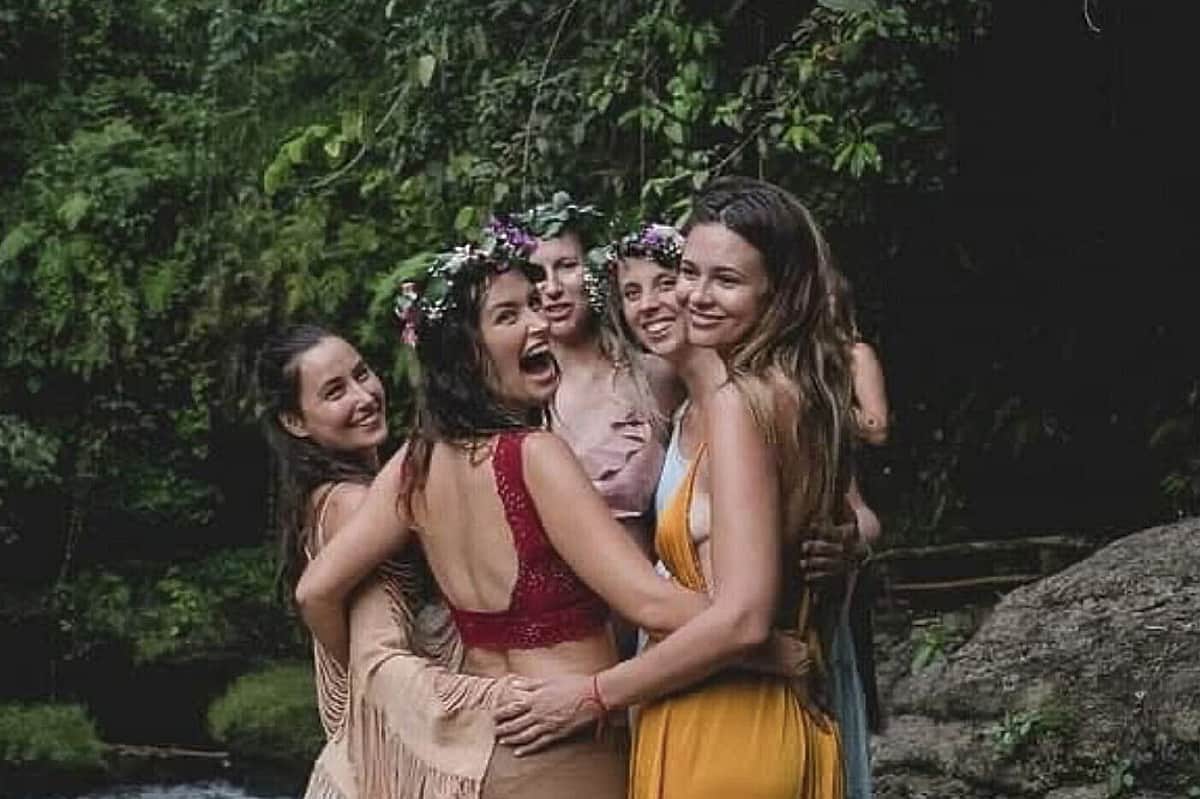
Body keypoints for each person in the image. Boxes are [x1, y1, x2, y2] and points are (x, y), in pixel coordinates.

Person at [499, 180, 856, 798]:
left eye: (727, 280)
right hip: (764, 720)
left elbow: (743, 620)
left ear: (779, 288)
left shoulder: (741, 404)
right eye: (690, 271)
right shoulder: (801, 391)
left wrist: (592, 696)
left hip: (729, 726)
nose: (695, 295)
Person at [257, 324, 512, 799]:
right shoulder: (355, 503)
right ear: (295, 422)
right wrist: (365, 674)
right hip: (380, 765)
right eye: (335, 392)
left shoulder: (325, 497)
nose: (364, 395)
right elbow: (315, 594)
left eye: (362, 374)